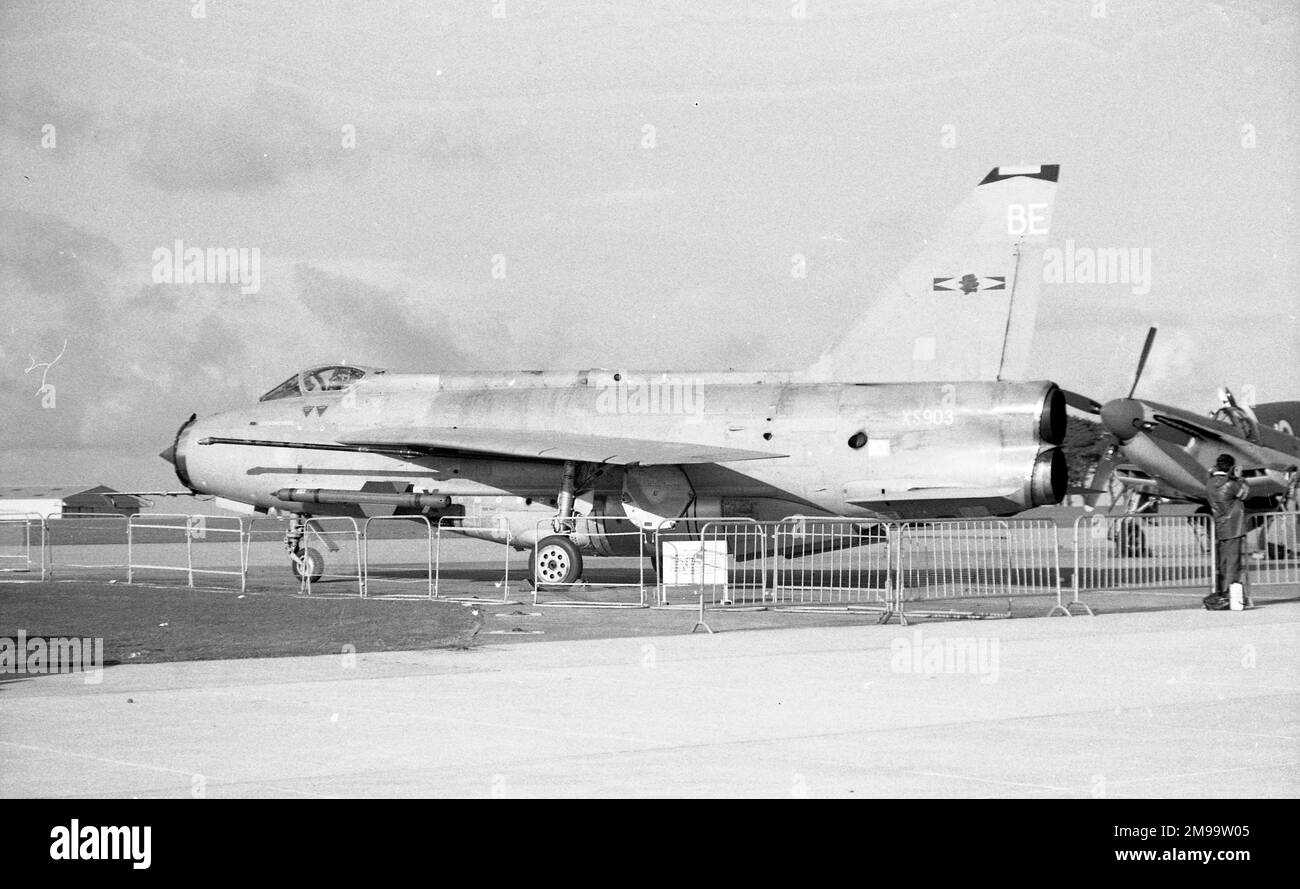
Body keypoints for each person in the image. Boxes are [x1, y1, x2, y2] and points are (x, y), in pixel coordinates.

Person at [1204, 453, 1250, 609]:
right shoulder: (1231, 484)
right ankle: (1229, 593)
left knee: (1224, 561)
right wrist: (1240, 478)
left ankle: (1222, 590)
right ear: (1231, 467)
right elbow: (1245, 493)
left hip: (1220, 525)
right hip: (1234, 527)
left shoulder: (1210, 483)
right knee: (1233, 562)